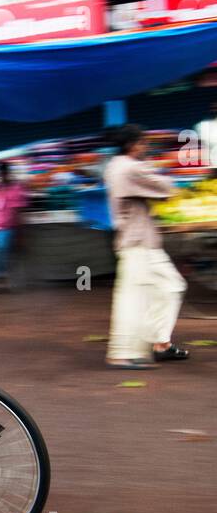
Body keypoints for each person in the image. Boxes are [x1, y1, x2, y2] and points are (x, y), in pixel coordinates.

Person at [104, 124, 188, 369]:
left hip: (141, 241)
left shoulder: (116, 166)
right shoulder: (128, 168)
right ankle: (121, 353)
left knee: (171, 286)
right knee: (133, 299)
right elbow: (165, 188)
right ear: (133, 145)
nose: (145, 147)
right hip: (137, 242)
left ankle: (160, 343)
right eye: (143, 143)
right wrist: (168, 166)